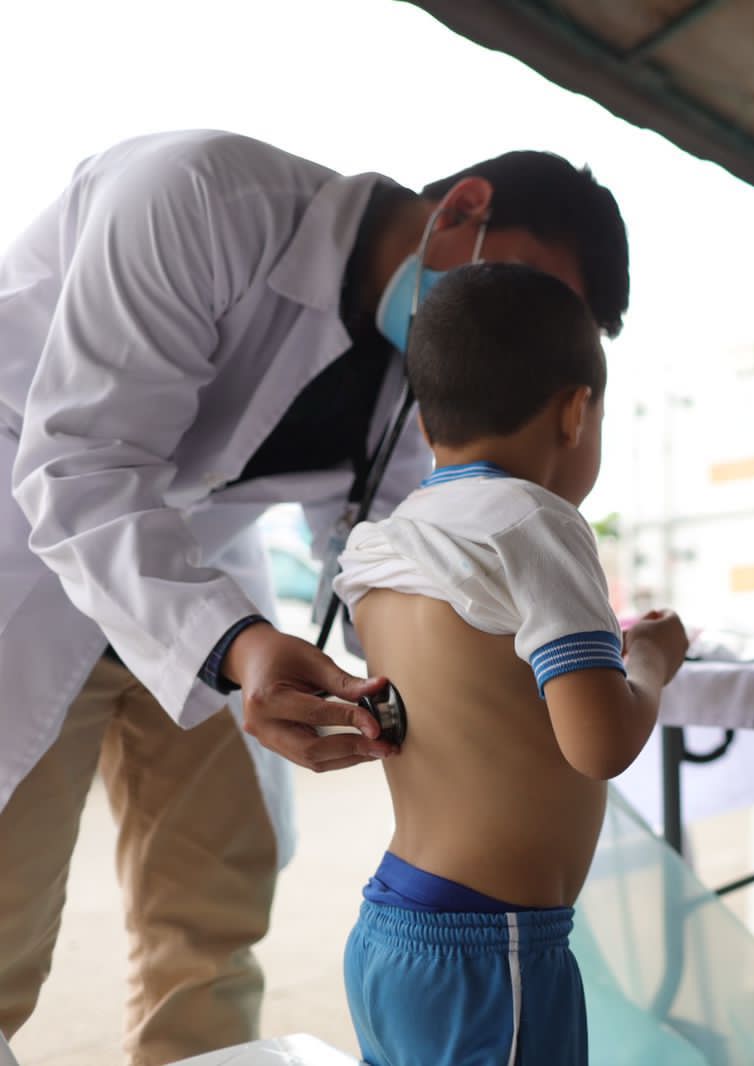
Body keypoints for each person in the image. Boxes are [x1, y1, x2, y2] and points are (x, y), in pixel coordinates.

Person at [0, 130, 629, 1063]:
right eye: (519, 290)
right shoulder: (197, 198)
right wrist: (243, 647)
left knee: (211, 912)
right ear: (462, 213)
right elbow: (79, 467)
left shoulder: (437, 385)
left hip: (202, 568)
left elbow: (385, 542)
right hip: (27, 547)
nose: (521, 343)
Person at [332, 263, 688, 1064]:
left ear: (426, 426)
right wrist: (653, 661)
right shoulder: (536, 521)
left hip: (394, 924)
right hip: (492, 950)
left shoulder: (387, 544)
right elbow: (598, 743)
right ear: (575, 413)